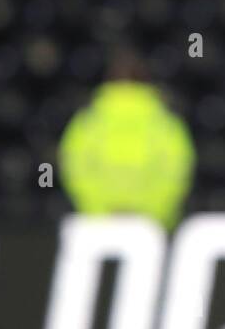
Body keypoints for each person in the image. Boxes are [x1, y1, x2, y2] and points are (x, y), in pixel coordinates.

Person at [59, 50, 195, 231]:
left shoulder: (88, 118)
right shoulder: (166, 119)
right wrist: (154, 210)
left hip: (98, 223)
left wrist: (96, 210)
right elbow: (177, 169)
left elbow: (74, 166)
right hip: (152, 225)